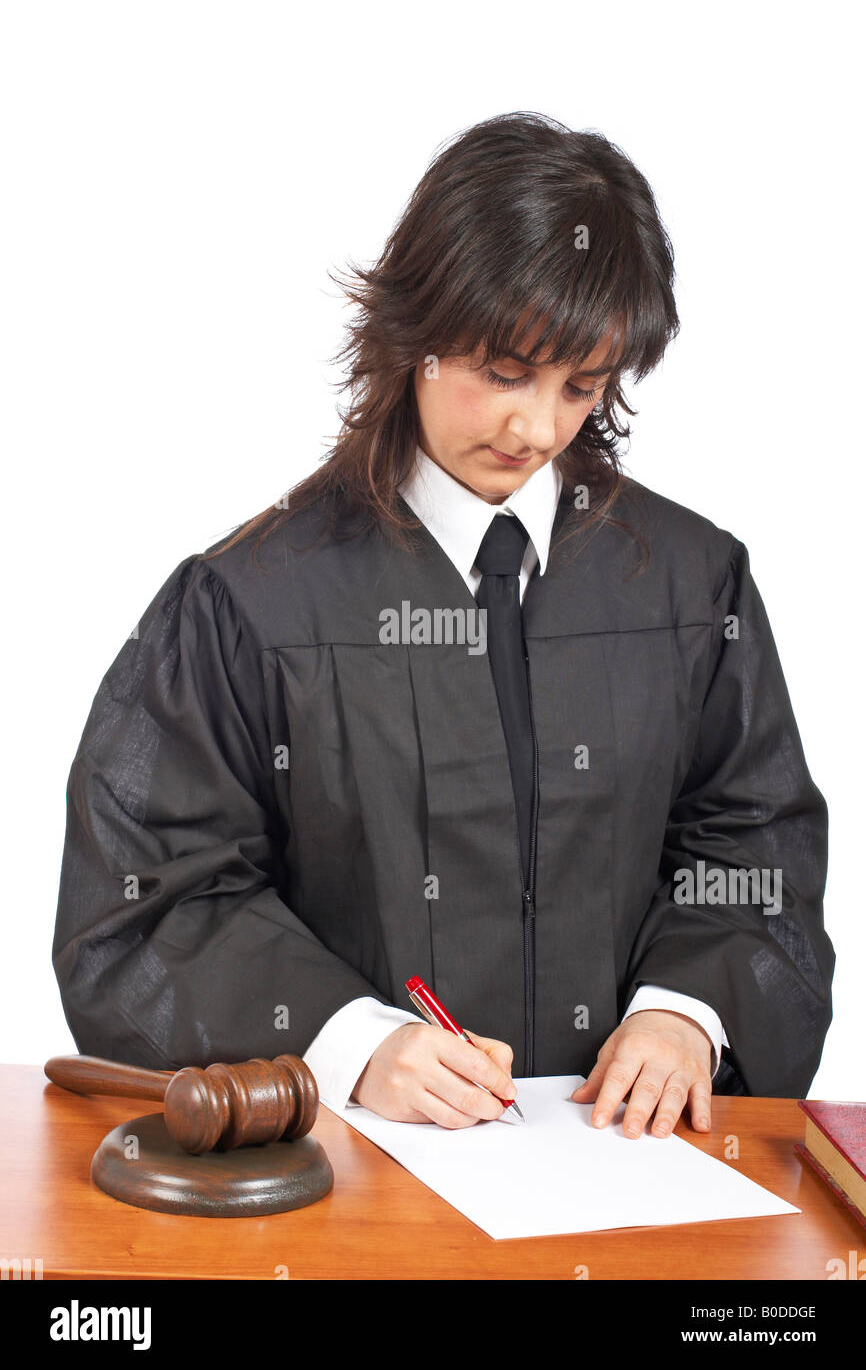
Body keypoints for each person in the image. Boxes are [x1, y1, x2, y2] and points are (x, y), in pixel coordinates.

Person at [52, 112, 834, 1142]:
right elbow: (146, 899)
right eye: (504, 371)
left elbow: (749, 840)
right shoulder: (251, 601)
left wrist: (687, 1011)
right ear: (413, 332)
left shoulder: (693, 584)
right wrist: (349, 1044)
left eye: (580, 385)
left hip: (628, 1176)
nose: (536, 428)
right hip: (351, 1181)